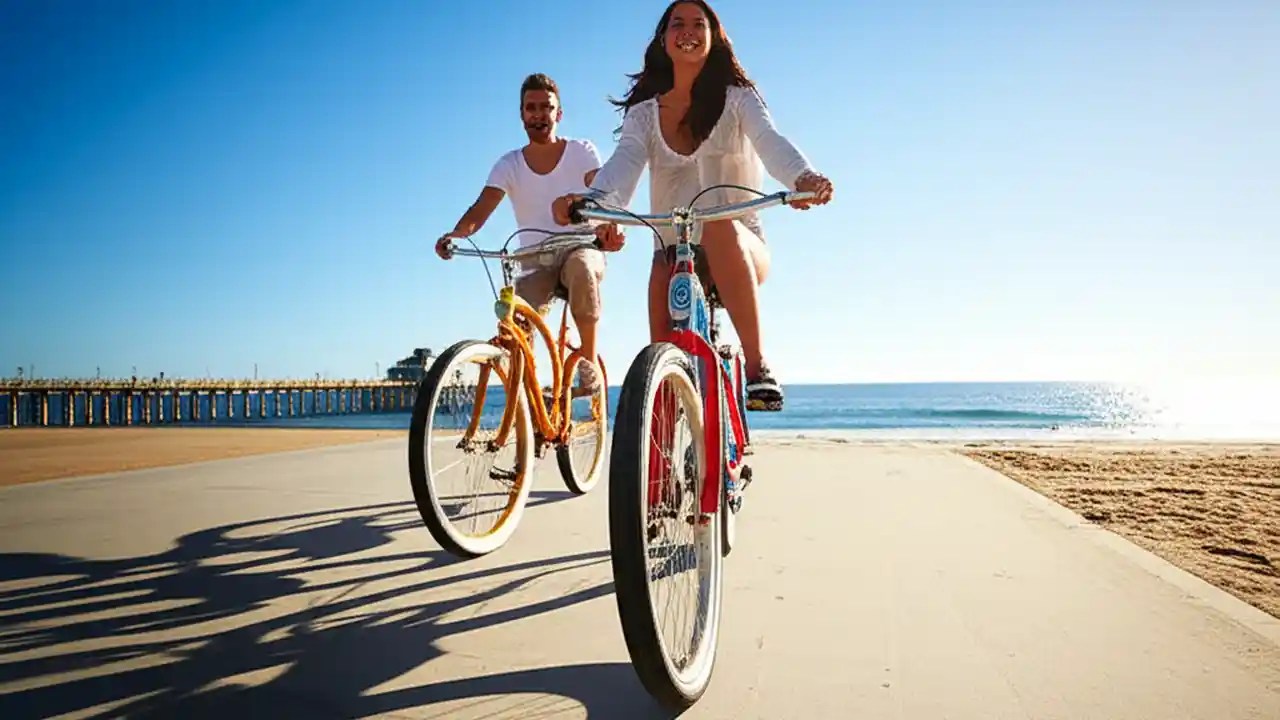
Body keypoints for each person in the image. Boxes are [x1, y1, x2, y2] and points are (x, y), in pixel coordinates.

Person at [551, 0, 833, 411]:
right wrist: (591, 205)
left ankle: (756, 369)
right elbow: (623, 165)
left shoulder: (739, 98)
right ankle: (661, 430)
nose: (688, 31)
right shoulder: (644, 115)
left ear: (713, 36)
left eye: (698, 24)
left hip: (740, 247)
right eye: (677, 23)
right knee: (659, 358)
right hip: (675, 252)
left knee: (718, 225)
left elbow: (770, 141)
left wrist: (801, 179)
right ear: (664, 39)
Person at [438, 73, 624, 392]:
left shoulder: (581, 151)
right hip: (535, 259)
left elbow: (604, 196)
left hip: (581, 245)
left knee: (581, 268)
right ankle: (529, 403)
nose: (539, 114)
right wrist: (457, 235)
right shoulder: (508, 164)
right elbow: (480, 209)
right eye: (531, 108)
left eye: (546, 107)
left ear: (559, 114)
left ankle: (588, 366)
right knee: (515, 318)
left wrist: (611, 227)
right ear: (522, 114)